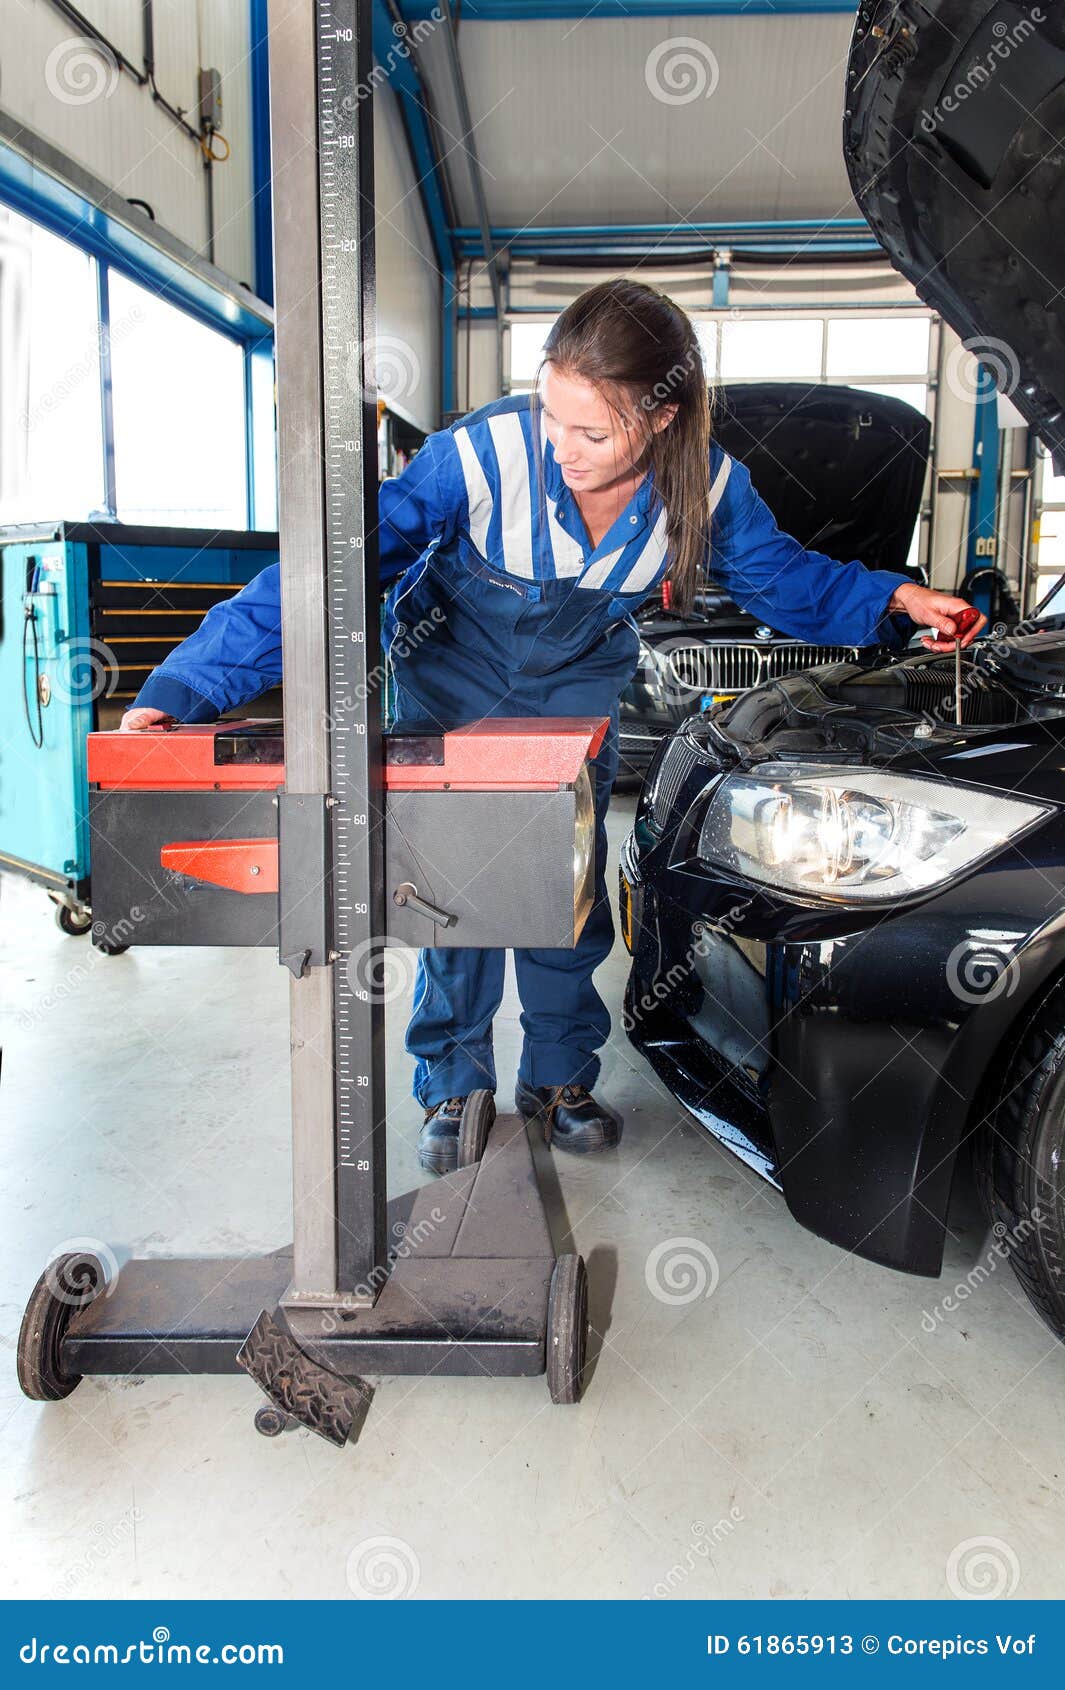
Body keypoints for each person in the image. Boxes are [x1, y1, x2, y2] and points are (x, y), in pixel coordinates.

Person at [121, 278, 984, 1174]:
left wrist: (895, 599)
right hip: (445, 680)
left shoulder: (708, 489)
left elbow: (786, 582)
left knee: (560, 892)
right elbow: (330, 571)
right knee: (448, 896)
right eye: (551, 416)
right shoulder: (478, 456)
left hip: (573, 695)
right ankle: (453, 1082)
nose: (563, 449)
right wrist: (188, 685)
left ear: (660, 418)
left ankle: (560, 1076)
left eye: (593, 431)